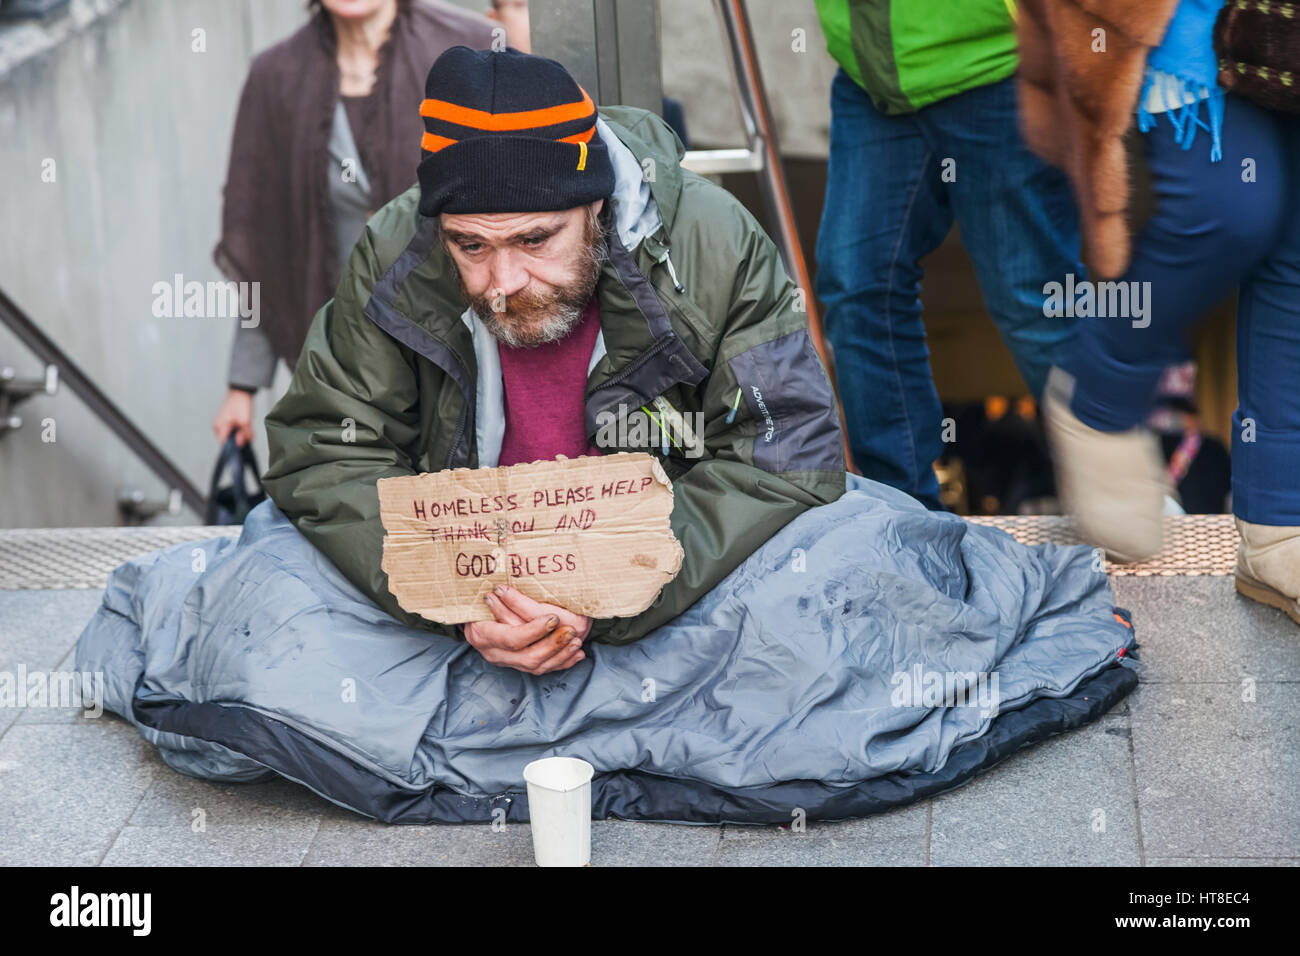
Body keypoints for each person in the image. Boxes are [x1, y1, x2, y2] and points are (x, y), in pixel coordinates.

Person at [259, 46, 847, 673]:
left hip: (668, 590)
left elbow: (786, 454)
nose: (503, 281)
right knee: (262, 584)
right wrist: (455, 596)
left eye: (534, 239)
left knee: (851, 562)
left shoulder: (713, 241)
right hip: (461, 590)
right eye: (470, 245)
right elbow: (326, 447)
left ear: (596, 203)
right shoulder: (395, 248)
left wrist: (614, 591)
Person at [1020, 0, 1300, 624]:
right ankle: (1100, 391)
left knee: (1295, 249)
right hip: (1182, 22)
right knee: (1232, 209)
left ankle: (1279, 526)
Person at [812, 0, 1085, 510]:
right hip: (874, 75)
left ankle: (1120, 492)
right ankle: (903, 513)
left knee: (1036, 300)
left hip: (997, 59)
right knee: (857, 286)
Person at [211, 0, 496, 449]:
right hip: (340, 364)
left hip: (460, 353)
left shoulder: (469, 47)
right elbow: (263, 246)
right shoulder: (276, 76)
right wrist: (241, 387)